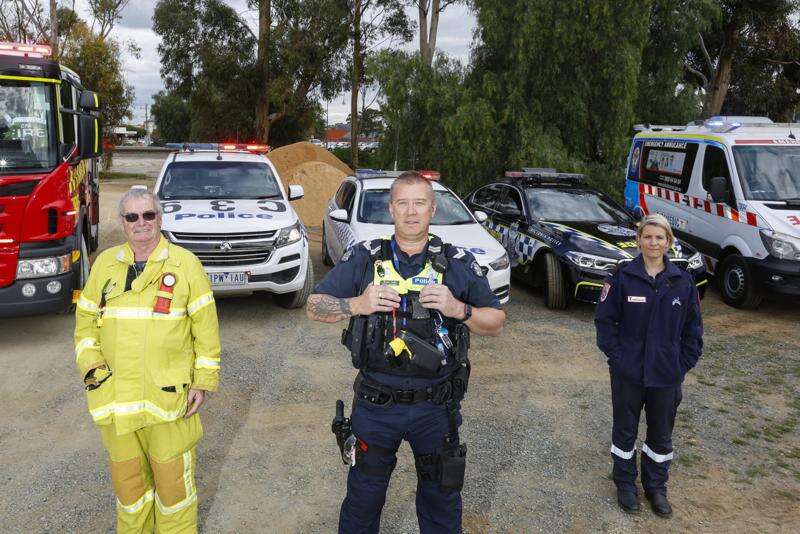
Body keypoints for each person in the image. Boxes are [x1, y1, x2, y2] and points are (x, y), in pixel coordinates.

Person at [307, 171, 505, 533]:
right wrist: (357, 303)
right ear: (391, 209)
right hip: (376, 407)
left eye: (419, 203)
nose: (411, 212)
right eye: (403, 203)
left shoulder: (457, 262)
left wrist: (460, 308)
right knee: (363, 500)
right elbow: (314, 305)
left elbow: (496, 321)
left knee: (441, 503)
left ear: (432, 209)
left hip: (436, 408)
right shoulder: (365, 258)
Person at [74, 187, 220, 533]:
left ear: (159, 218)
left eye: (148, 215)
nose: (141, 223)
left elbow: (206, 330)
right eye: (132, 216)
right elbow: (84, 324)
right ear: (123, 222)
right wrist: (93, 367)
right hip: (116, 404)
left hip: (168, 403)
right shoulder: (105, 264)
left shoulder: (185, 264)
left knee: (175, 496)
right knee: (130, 494)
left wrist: (203, 381)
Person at [594, 214, 703, 517]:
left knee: (660, 435)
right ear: (638, 240)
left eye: (660, 238)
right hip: (628, 373)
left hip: (666, 375)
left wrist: (680, 365)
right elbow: (605, 323)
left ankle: (656, 487)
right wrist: (618, 359)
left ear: (668, 242)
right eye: (648, 237)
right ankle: (626, 484)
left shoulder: (682, 282)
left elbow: (693, 331)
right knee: (625, 431)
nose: (653, 243)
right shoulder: (622, 277)